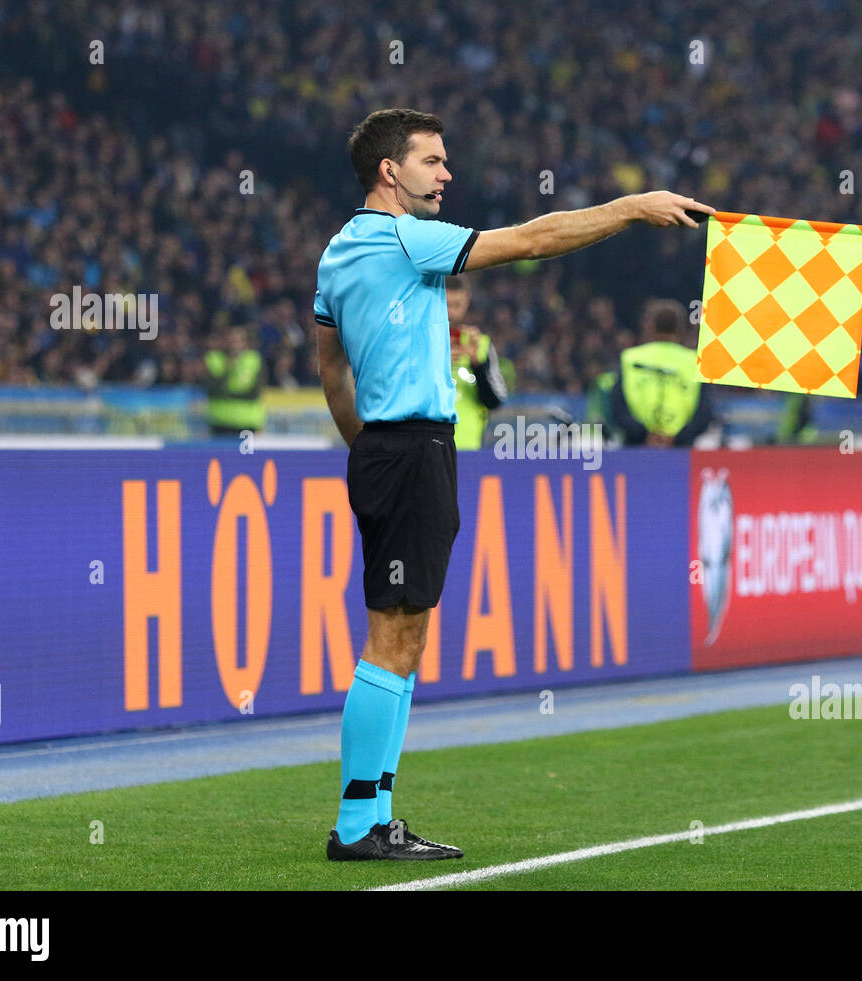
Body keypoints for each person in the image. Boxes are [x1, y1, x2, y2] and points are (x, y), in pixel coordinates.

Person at [313, 107, 714, 860]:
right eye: (432, 161)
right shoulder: (404, 236)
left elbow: (330, 367)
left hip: (393, 450)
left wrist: (366, 448)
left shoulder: (338, 250)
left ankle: (374, 813)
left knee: (407, 633)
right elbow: (532, 239)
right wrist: (631, 207)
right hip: (411, 450)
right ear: (389, 171)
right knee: (392, 636)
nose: (447, 174)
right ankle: (359, 824)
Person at [609, 299, 714, 447]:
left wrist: (643, 435)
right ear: (681, 329)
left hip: (636, 448)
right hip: (681, 452)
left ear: (651, 327)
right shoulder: (694, 362)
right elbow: (705, 412)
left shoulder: (629, 358)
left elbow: (617, 406)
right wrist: (678, 438)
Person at [446, 277, 508, 449]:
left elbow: (495, 401)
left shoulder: (481, 344)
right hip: (427, 450)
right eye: (446, 304)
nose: (451, 312)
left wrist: (476, 364)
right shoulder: (422, 342)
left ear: (466, 301)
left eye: (456, 305)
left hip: (468, 450)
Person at [203, 326, 266, 437]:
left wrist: (227, 393)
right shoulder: (213, 358)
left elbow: (254, 393)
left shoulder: (254, 359)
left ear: (246, 343)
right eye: (231, 340)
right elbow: (213, 389)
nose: (234, 344)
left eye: (239, 340)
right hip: (220, 421)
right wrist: (230, 365)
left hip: (248, 422)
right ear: (224, 341)